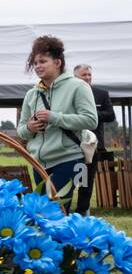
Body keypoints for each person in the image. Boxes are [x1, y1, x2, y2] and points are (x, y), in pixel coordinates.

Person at [18, 36, 97, 213]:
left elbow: (91, 120)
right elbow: (21, 130)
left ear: (57, 62)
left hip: (69, 158)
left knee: (53, 210)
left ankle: (64, 239)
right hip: (38, 162)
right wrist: (29, 128)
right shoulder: (32, 94)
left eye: (43, 61)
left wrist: (55, 117)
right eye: (35, 62)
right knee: (43, 212)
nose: (38, 66)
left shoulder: (78, 87)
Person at [73, 63, 116, 213]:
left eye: (89, 74)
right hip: (71, 144)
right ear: (75, 77)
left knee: (86, 181)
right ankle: (62, 211)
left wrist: (90, 116)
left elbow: (110, 115)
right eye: (83, 75)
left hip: (92, 145)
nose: (87, 77)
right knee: (70, 179)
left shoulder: (101, 94)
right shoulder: (69, 94)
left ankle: (81, 212)